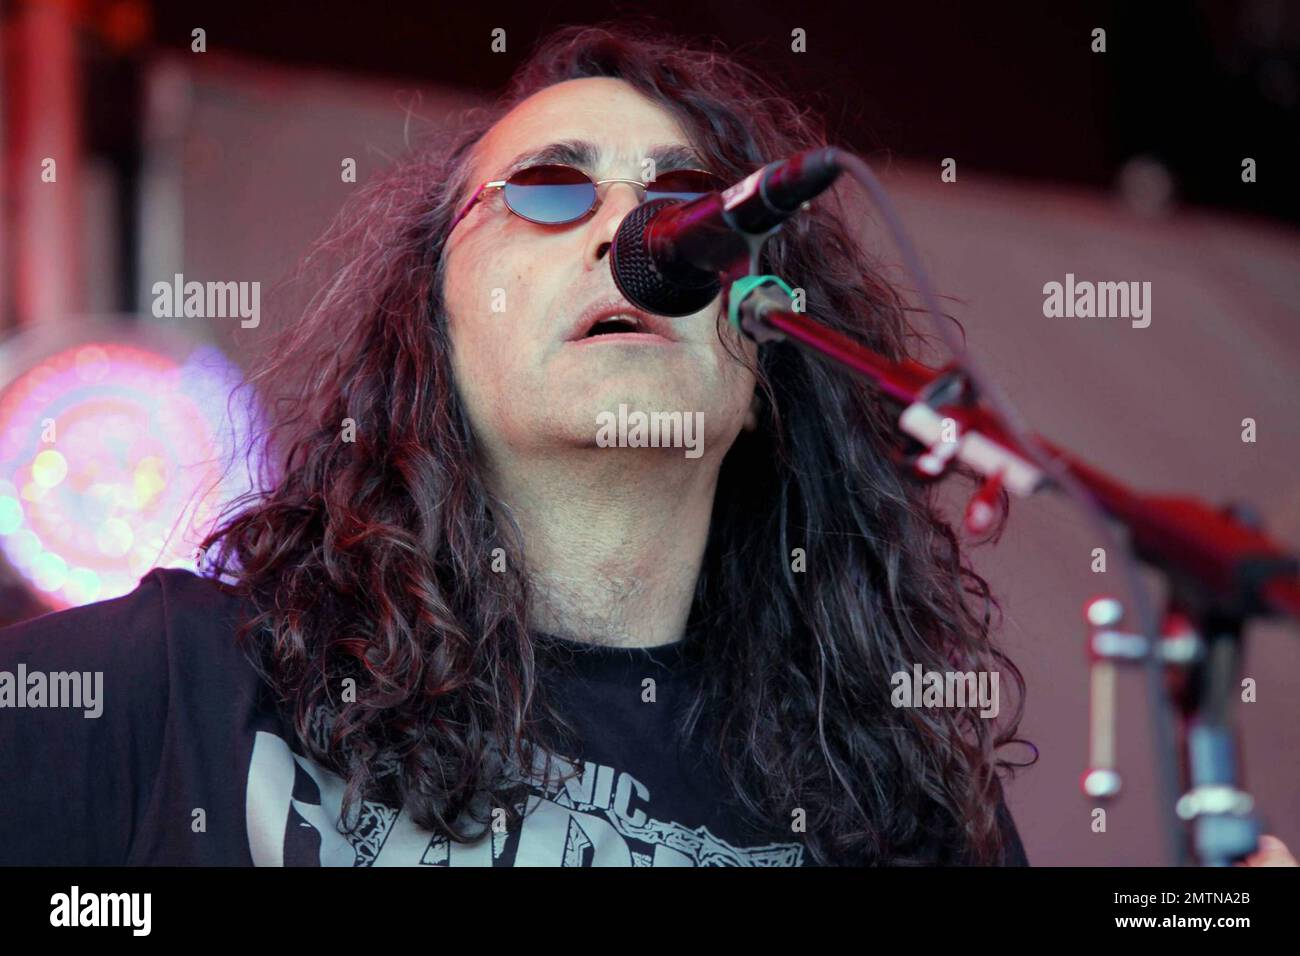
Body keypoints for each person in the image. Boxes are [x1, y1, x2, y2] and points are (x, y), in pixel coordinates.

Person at [2, 21, 1288, 868]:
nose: (629, 223)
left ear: (767, 359)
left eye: (686, 204)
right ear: (430, 327)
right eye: (551, 189)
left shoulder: (902, 816)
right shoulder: (167, 685)